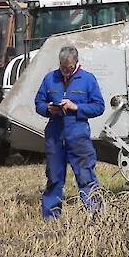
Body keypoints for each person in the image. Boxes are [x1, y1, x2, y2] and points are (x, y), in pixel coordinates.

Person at [34, 46, 105, 219]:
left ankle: (96, 215)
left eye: (69, 68)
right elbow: (39, 102)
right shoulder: (50, 78)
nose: (65, 72)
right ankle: (51, 218)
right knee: (54, 178)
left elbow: (99, 107)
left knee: (86, 176)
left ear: (76, 63)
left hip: (78, 136)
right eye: (62, 67)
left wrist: (76, 107)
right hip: (55, 136)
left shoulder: (88, 79)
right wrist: (48, 109)